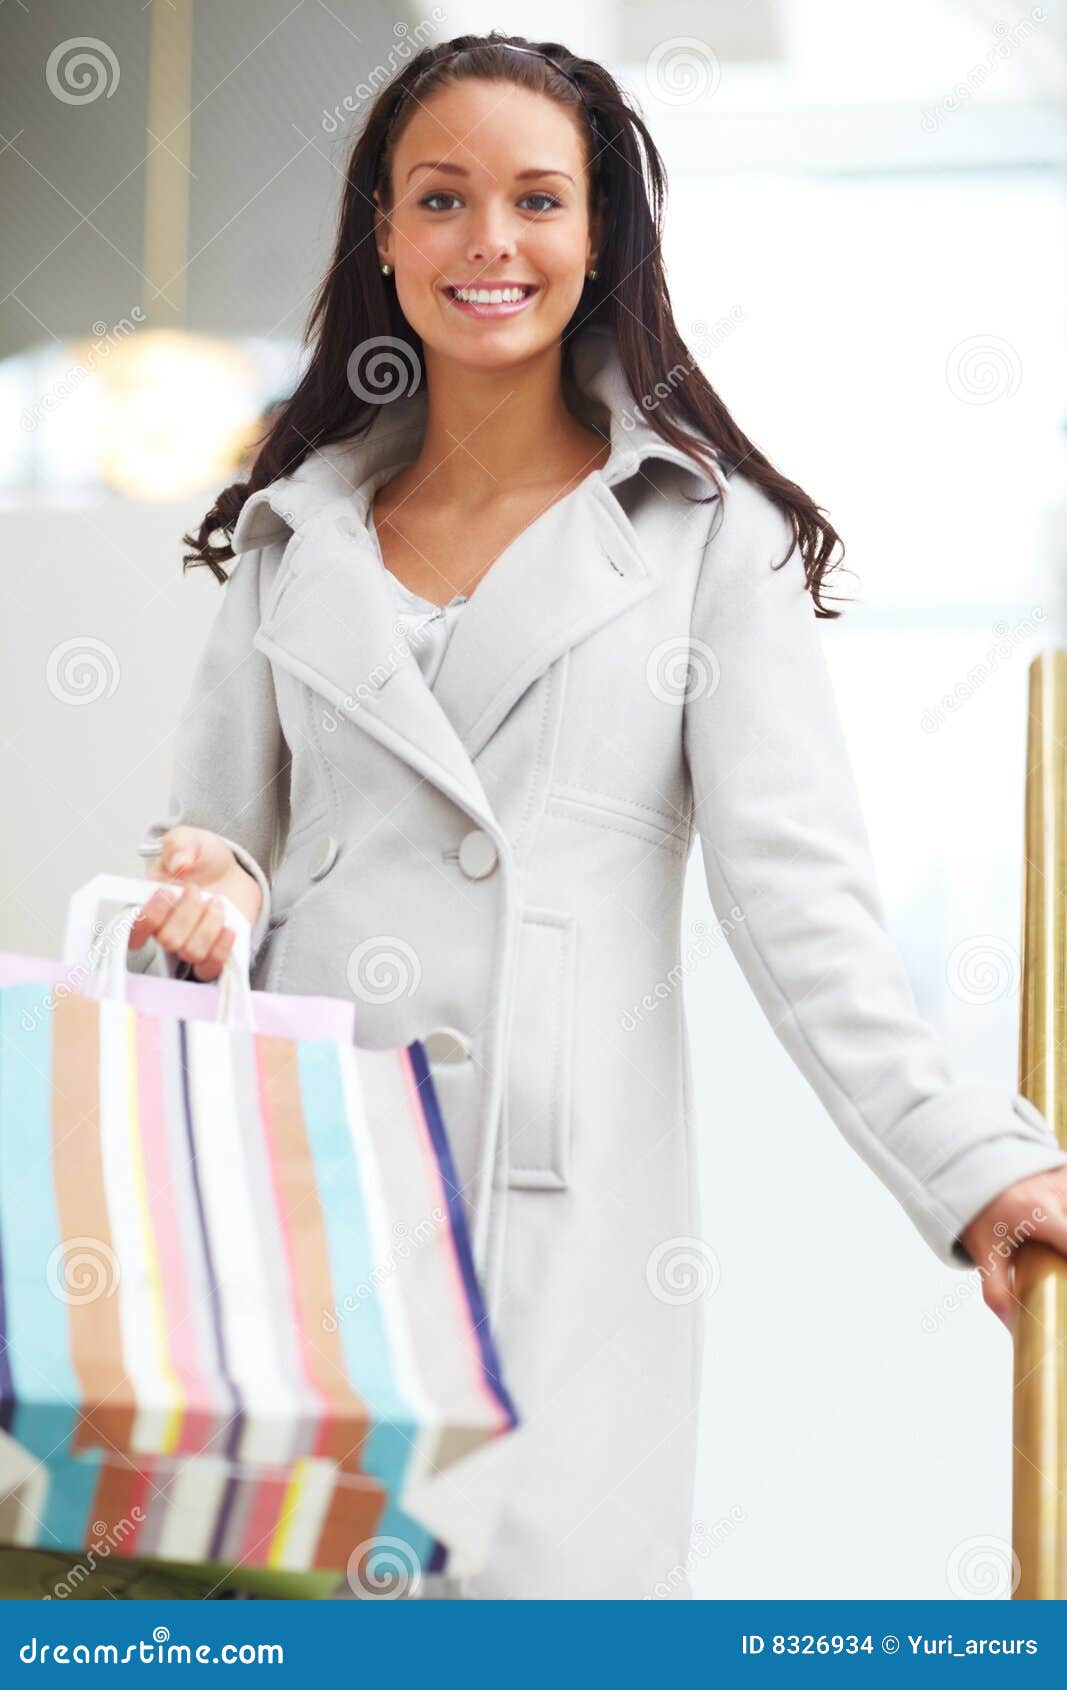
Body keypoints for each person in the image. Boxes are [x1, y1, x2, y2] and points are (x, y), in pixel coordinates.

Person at [127, 34, 1067, 1599]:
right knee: (295, 1613)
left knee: (539, 1612)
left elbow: (800, 903)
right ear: (381, 230)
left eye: (536, 201)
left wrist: (971, 1162)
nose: (489, 243)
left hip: (560, 1199)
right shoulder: (296, 534)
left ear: (600, 235)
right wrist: (201, 880)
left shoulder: (707, 537)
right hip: (308, 1198)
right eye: (442, 200)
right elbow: (212, 829)